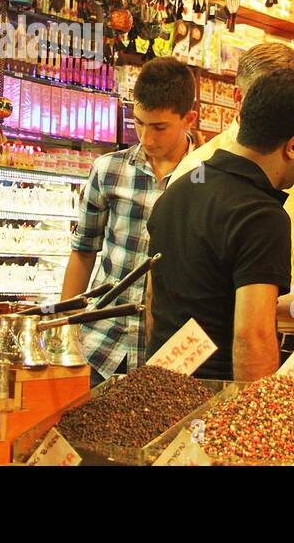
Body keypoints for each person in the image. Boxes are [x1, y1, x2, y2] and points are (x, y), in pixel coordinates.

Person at [147, 69, 294, 381]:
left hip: (162, 389)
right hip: (215, 400)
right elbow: (254, 336)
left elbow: (153, 301)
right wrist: (253, 422)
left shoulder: (179, 188)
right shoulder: (261, 214)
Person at [59, 58, 197, 385]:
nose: (147, 138)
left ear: (188, 119)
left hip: (174, 352)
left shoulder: (205, 177)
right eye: (139, 123)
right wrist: (65, 331)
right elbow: (83, 252)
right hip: (102, 344)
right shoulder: (108, 170)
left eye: (159, 127)